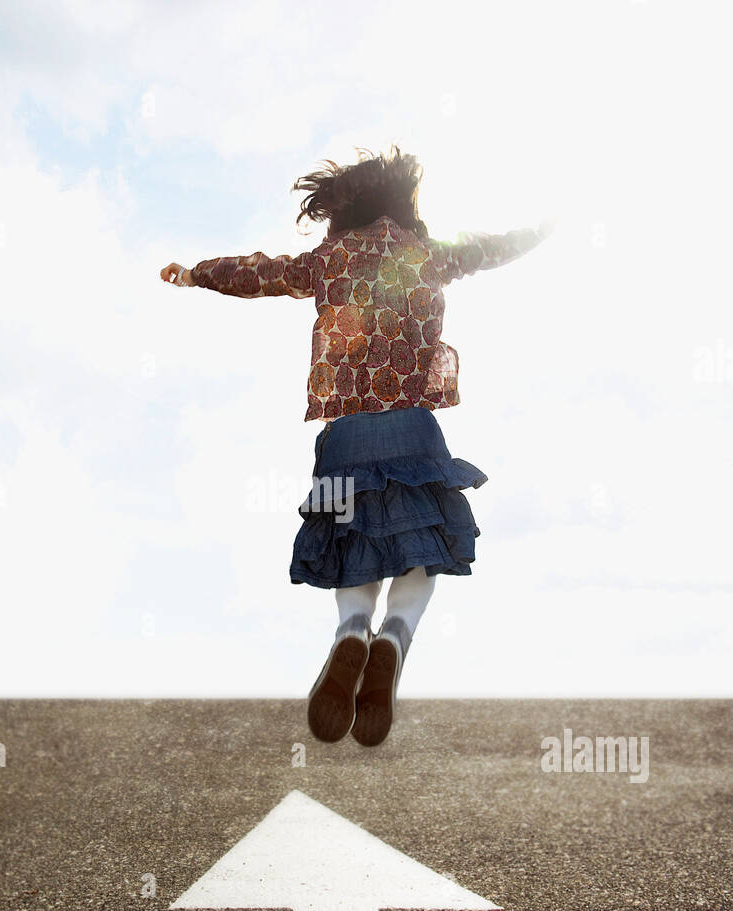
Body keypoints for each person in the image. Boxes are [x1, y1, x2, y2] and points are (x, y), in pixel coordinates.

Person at [161, 146, 554, 745]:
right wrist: (544, 228)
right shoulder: (428, 254)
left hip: (344, 437)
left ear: (346, 211)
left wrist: (195, 272)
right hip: (413, 430)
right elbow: (492, 246)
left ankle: (351, 633)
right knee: (419, 548)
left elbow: (259, 272)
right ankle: (394, 638)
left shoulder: (329, 259)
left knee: (352, 544)